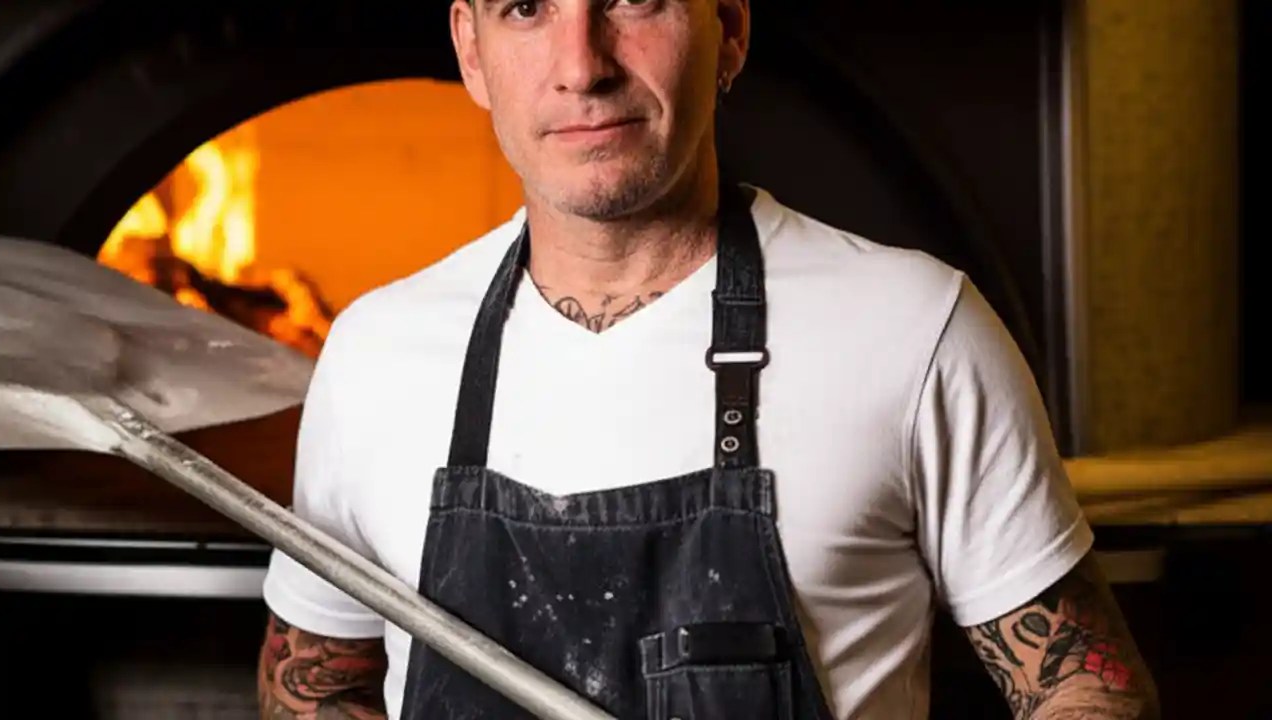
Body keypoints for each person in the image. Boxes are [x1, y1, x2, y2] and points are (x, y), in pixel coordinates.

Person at [257, 1, 1160, 718]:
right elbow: (316, 683)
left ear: (728, 28)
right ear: (470, 48)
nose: (582, 66)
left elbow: (1081, 688)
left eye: (633, 1)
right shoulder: (376, 355)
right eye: (526, 8)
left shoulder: (914, 328)